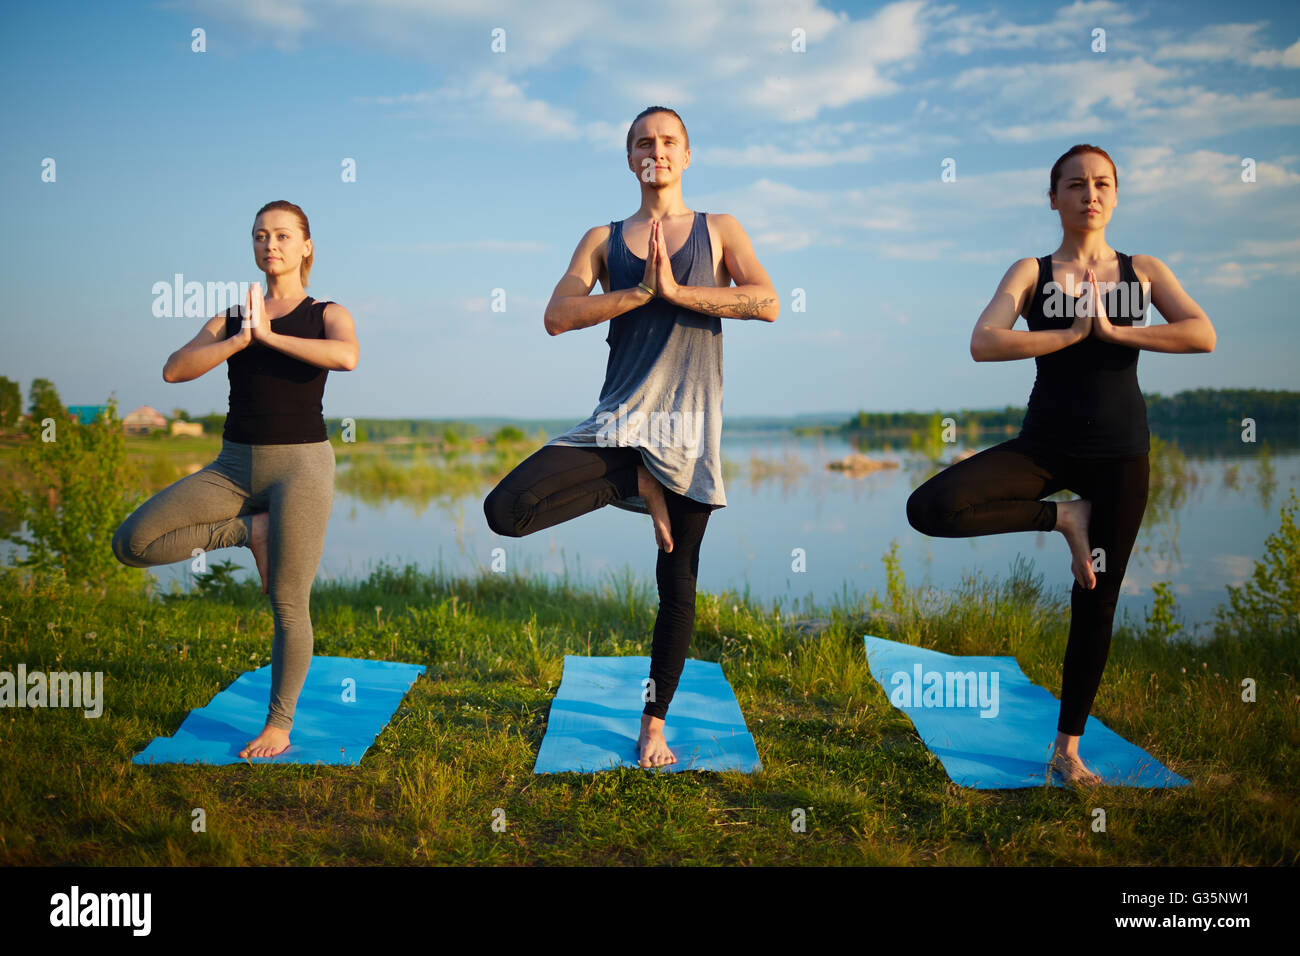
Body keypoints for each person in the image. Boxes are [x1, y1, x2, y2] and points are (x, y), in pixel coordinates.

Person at [905, 145, 1215, 786]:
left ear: (1115, 195)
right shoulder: (1033, 271)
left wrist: (1118, 331)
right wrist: (1070, 334)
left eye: (1102, 184)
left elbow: (1200, 332)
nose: (1089, 194)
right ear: (1054, 198)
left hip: (1121, 456)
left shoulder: (1143, 270)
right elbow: (984, 341)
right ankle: (1062, 517)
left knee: (1094, 600)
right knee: (930, 508)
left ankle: (1067, 750)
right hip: (1043, 447)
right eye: (1075, 185)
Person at [483, 106, 778, 768]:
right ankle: (636, 477)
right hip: (617, 424)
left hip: (691, 434)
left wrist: (679, 291)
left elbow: (765, 300)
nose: (657, 150)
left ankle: (653, 724)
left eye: (669, 140)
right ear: (629, 158)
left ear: (687, 155)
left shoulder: (719, 229)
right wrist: (641, 293)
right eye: (644, 141)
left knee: (677, 582)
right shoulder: (602, 237)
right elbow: (558, 315)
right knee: (507, 509)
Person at [113, 201, 358, 759]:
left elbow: (346, 356)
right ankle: (252, 532)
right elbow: (174, 368)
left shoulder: (327, 310)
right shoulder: (230, 317)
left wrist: (270, 337)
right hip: (233, 465)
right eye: (259, 236)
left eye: (281, 236)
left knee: (288, 602)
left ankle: (279, 723)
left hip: (301, 465)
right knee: (133, 542)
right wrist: (241, 339)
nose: (269, 245)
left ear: (306, 246)